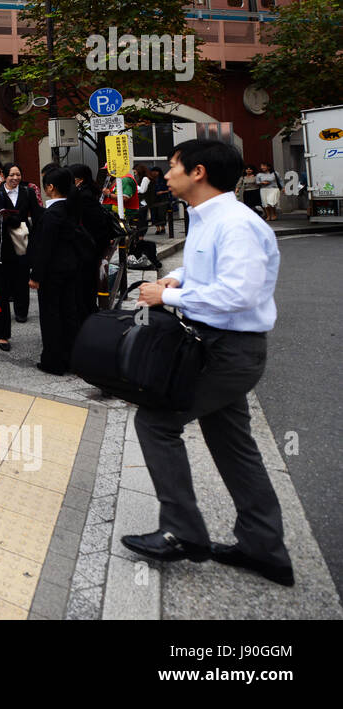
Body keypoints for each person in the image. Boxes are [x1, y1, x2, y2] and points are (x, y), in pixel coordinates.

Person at [126, 139, 293, 587]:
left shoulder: (236, 223)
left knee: (157, 421)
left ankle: (182, 532)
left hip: (229, 350)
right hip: (213, 345)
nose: (165, 173)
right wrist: (177, 277)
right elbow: (211, 274)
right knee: (234, 445)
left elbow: (240, 294)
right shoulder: (207, 216)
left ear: (198, 172)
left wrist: (169, 295)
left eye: (173, 165)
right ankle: (264, 547)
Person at [26, 168, 92, 375]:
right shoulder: (70, 208)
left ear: (51, 187)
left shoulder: (52, 213)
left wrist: (35, 276)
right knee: (69, 313)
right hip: (71, 268)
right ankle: (71, 358)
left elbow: (45, 248)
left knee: (51, 316)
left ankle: (53, 361)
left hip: (52, 273)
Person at [0, 163, 38, 351]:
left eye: (18, 174)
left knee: (22, 273)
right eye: (12, 175)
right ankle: (3, 321)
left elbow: (36, 214)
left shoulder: (27, 192)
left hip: (22, 235)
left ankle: (21, 310)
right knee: (4, 278)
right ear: (4, 176)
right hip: (2, 238)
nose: (15, 178)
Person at [70, 163, 117, 318]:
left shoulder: (84, 196)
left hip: (90, 247)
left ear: (80, 179)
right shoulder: (87, 192)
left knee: (87, 283)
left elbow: (93, 223)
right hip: (92, 245)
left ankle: (89, 315)